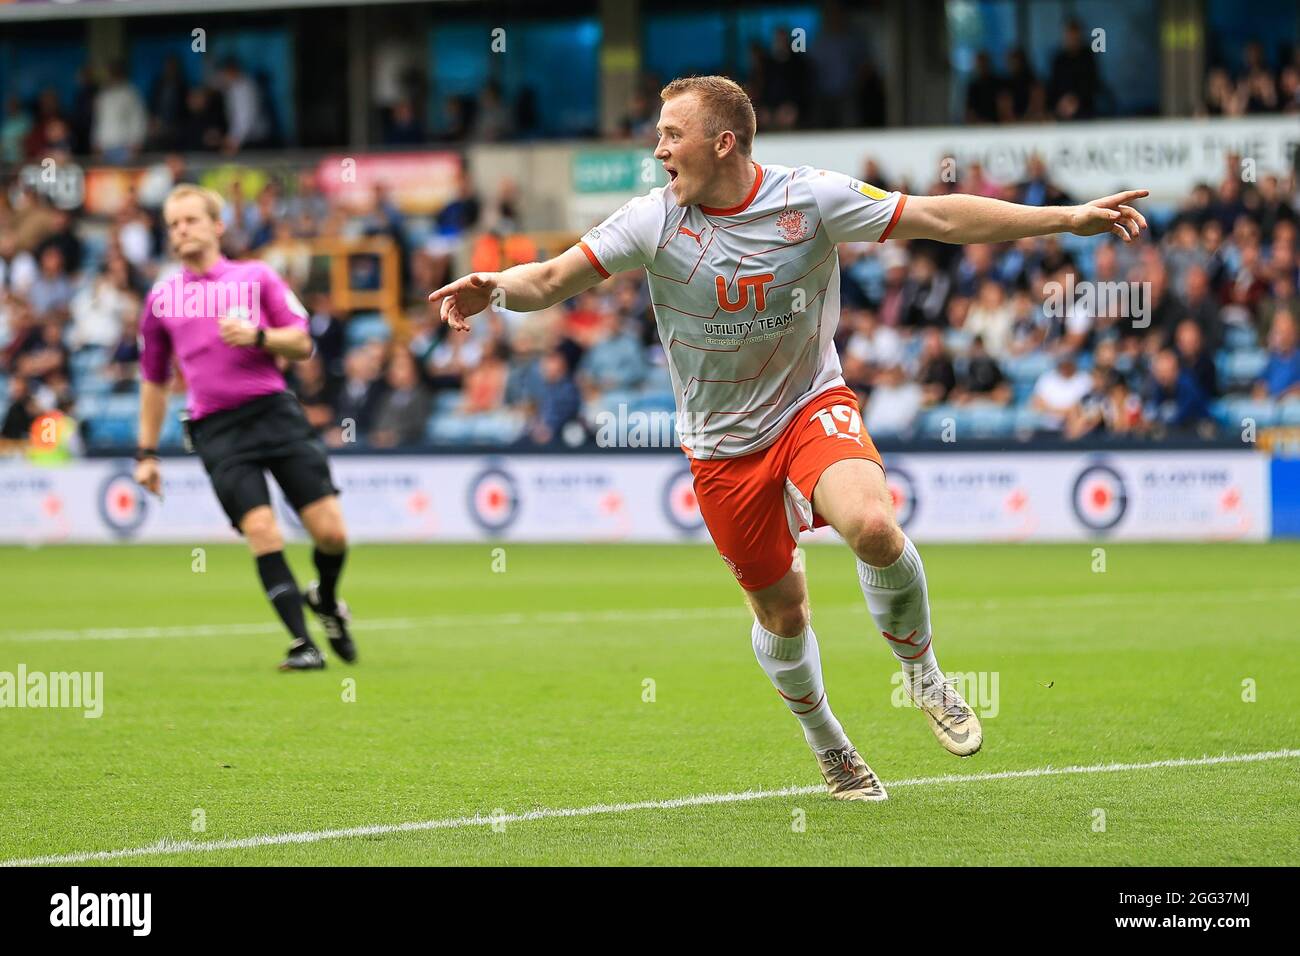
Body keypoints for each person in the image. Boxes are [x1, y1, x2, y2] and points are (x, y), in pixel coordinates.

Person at [428, 74, 1148, 802]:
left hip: (810, 402)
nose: (658, 150)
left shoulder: (810, 198)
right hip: (720, 445)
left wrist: (1066, 217)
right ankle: (829, 743)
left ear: (723, 141)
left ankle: (925, 674)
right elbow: (552, 278)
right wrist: (496, 287)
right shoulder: (653, 221)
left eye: (671, 135)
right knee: (785, 611)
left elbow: (940, 217)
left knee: (871, 524)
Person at [134, 185, 356, 671]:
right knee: (261, 528)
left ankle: (325, 598)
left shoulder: (256, 276)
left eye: (190, 220)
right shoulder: (161, 300)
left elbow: (302, 344)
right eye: (172, 224)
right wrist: (146, 454)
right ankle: (304, 645)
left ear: (217, 226)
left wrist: (258, 336)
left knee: (331, 533)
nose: (181, 231)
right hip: (217, 430)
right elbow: (153, 381)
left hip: (275, 412)